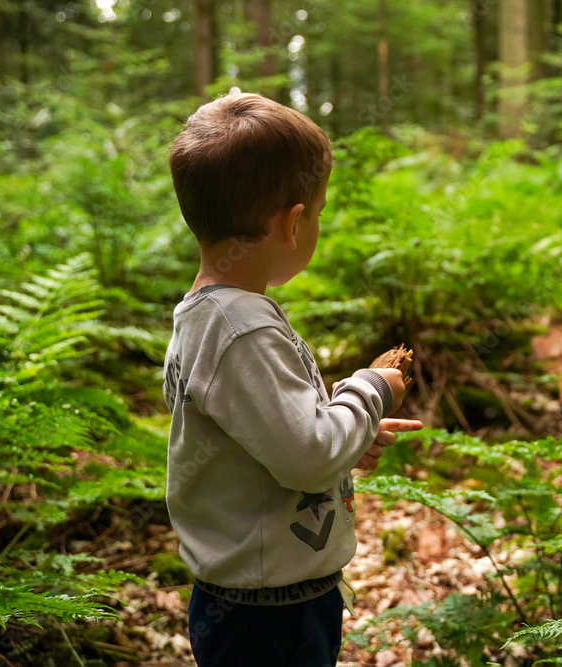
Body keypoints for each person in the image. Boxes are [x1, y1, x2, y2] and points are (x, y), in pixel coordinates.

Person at [162, 91, 423, 666]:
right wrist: (372, 390)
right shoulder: (243, 328)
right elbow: (306, 455)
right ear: (292, 222)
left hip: (247, 601)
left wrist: (348, 433)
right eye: (319, 213)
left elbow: (264, 437)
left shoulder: (205, 315)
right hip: (271, 616)